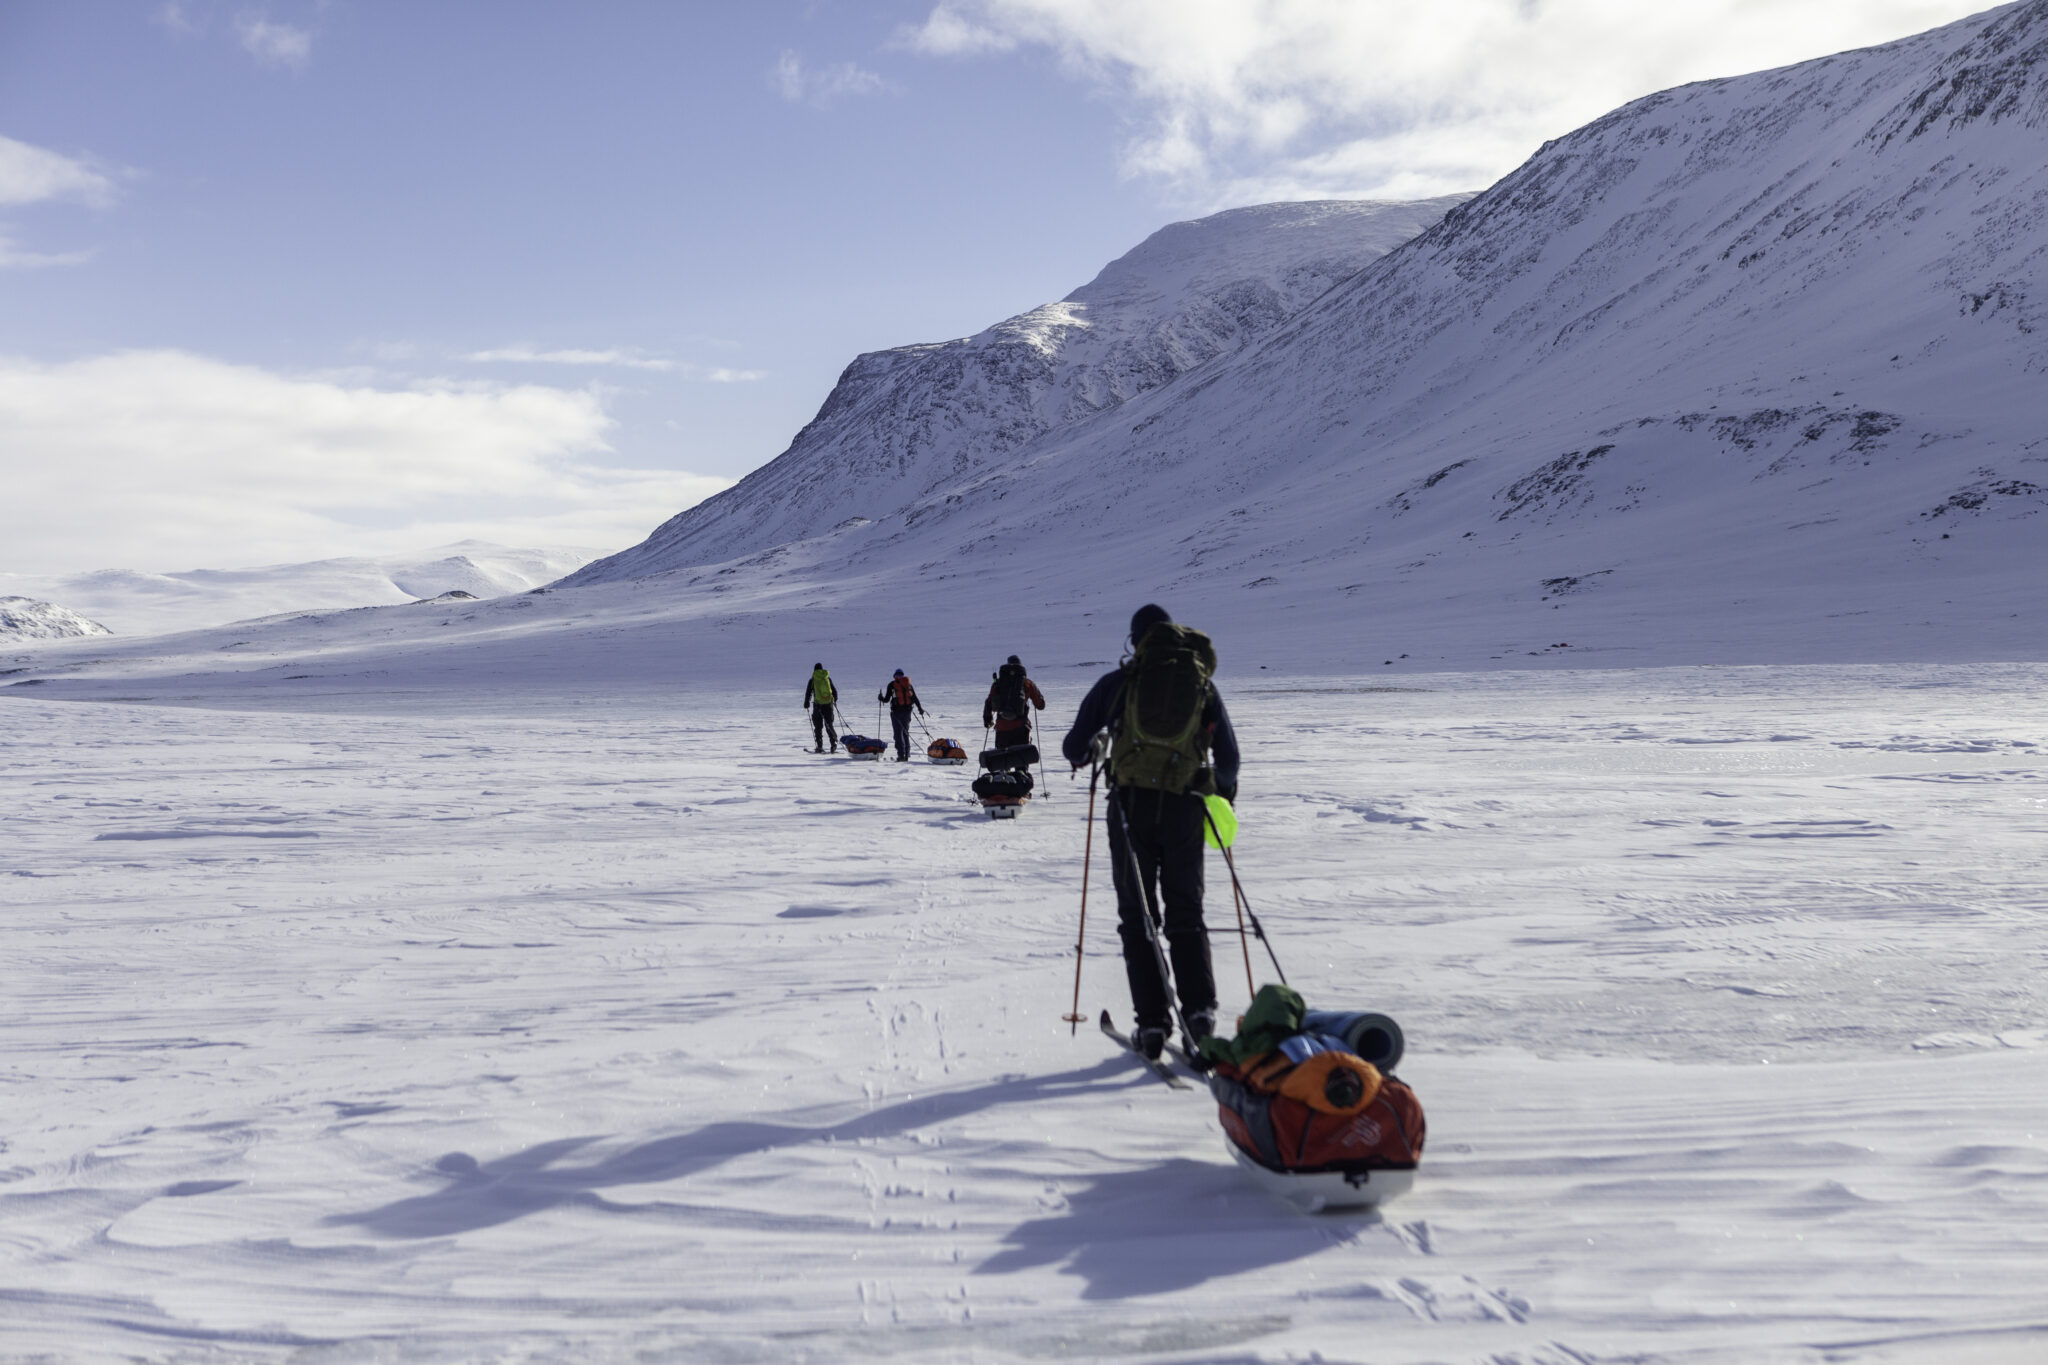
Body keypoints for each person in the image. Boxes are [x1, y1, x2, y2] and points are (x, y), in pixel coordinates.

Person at [1061, 604, 1239, 1061]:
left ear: (1135, 640)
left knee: (1139, 916)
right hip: (1184, 809)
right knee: (1186, 911)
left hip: (1129, 809)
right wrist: (1220, 797)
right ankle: (1199, 1016)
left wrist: (1097, 748)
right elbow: (1230, 759)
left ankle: (1154, 1024)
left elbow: (1073, 747)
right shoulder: (1202, 684)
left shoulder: (1119, 683)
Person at [982, 655, 1045, 751]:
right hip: (1021, 728)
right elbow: (1040, 705)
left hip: (1002, 728)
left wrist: (988, 720)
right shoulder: (1027, 683)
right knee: (1021, 760)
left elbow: (989, 702)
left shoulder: (998, 683)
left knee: (1002, 760)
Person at [877, 668, 927, 761]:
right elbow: (915, 698)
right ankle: (906, 755)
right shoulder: (908, 685)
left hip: (896, 713)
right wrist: (920, 709)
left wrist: (881, 698)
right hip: (907, 712)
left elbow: (887, 700)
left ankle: (901, 755)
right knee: (905, 733)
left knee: (898, 734)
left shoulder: (892, 685)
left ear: (894, 676)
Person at [803, 662, 839, 752]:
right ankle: (833, 744)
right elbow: (834, 692)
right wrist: (834, 700)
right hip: (828, 705)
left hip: (818, 706)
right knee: (829, 725)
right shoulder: (827, 678)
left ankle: (819, 746)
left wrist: (806, 703)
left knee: (818, 727)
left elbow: (808, 693)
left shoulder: (813, 680)